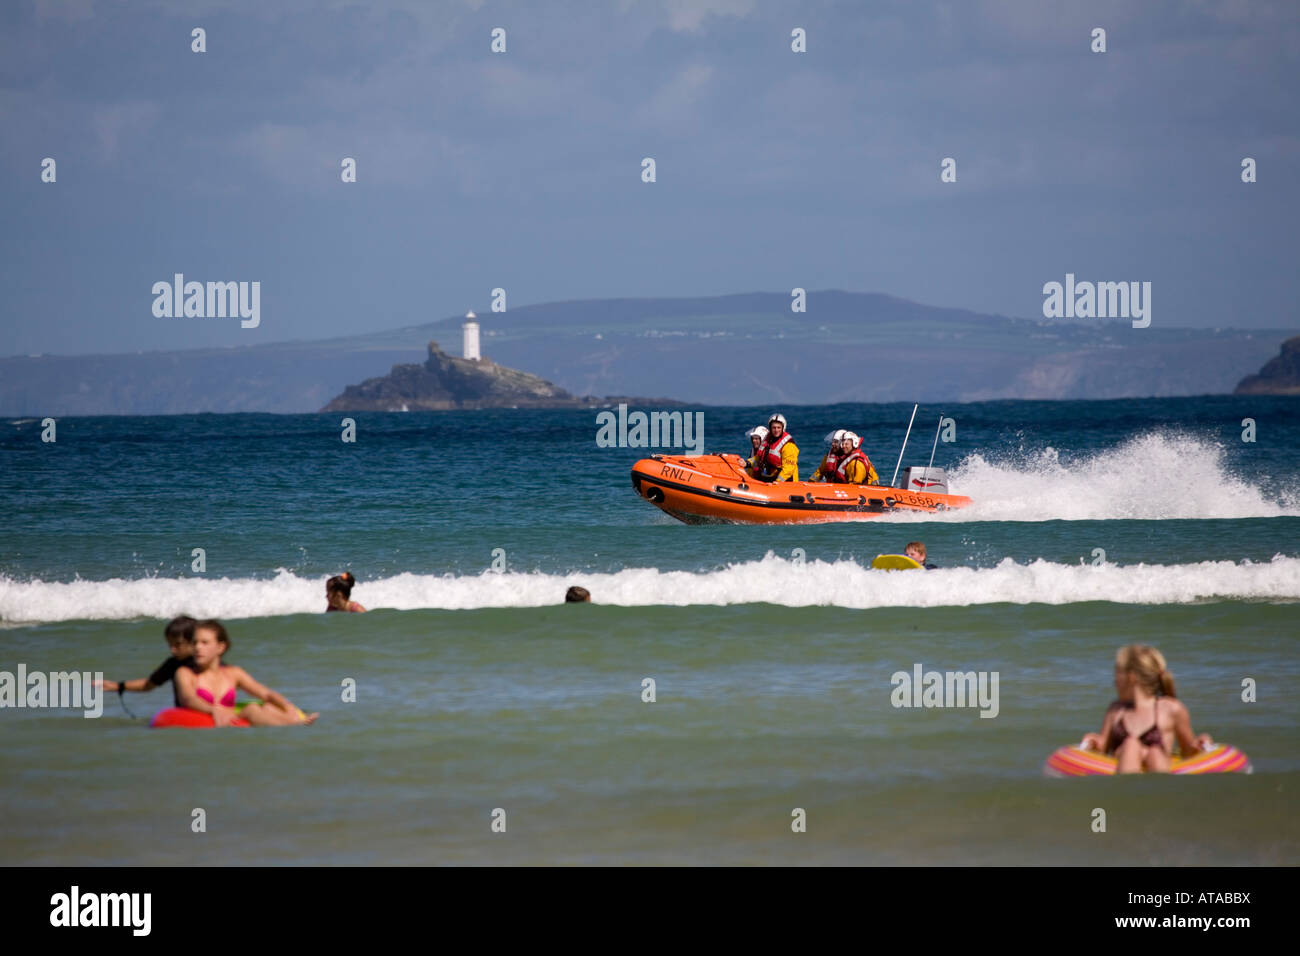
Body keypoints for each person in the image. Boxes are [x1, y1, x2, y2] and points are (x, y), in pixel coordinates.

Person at [1079, 645, 1213, 773]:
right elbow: (1103, 750)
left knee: (1154, 751)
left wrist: (1198, 745)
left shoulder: (1171, 709)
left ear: (1131, 677)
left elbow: (1187, 752)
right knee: (1131, 745)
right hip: (1125, 761)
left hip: (1158, 763)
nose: (1114, 682)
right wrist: (1095, 742)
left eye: (1117, 674)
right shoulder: (1115, 711)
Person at [174, 620, 317, 726]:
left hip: (230, 716)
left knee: (269, 706)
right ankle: (294, 725)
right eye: (195, 643)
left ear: (220, 647)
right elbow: (188, 699)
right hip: (204, 718)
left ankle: (295, 722)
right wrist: (213, 710)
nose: (198, 648)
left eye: (204, 643)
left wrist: (289, 707)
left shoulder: (233, 673)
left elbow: (265, 694)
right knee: (252, 709)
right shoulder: (186, 673)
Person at [97, 615, 198, 707]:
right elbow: (148, 685)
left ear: (193, 641)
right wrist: (118, 686)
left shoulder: (208, 661)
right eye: (170, 645)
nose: (172, 649)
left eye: (177, 644)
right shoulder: (173, 664)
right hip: (186, 715)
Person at [754, 413, 799, 482]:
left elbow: (788, 469)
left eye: (778, 427)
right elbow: (758, 457)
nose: (776, 430)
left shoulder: (789, 445)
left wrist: (778, 482)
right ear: (770, 428)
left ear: (783, 428)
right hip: (770, 478)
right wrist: (747, 463)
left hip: (785, 481)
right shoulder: (768, 440)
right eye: (774, 427)